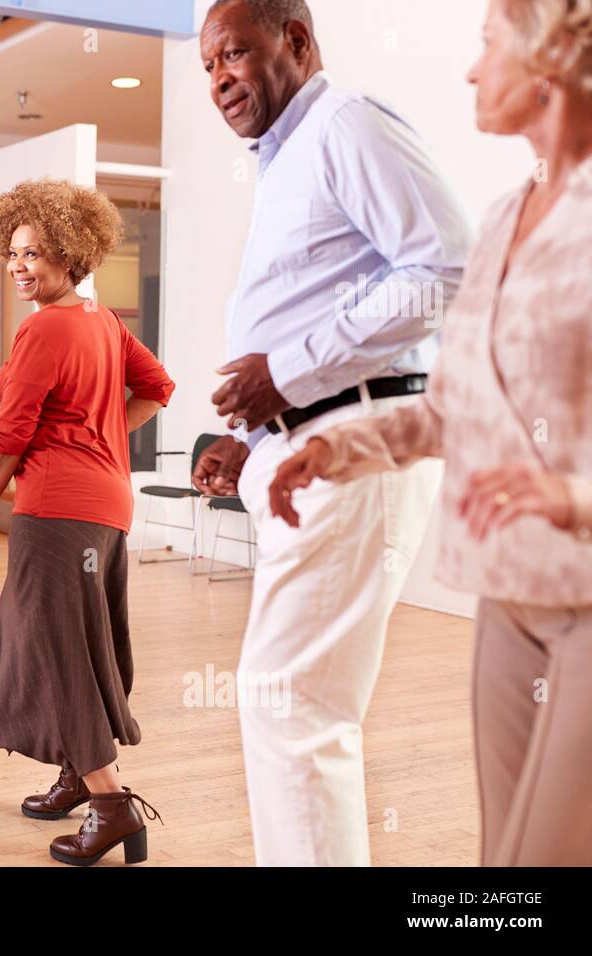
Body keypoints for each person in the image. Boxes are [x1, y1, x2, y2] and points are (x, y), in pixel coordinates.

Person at [269, 0, 592, 867]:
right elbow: (455, 409)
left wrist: (572, 493)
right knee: (502, 872)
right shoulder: (502, 217)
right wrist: (335, 444)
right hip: (507, 590)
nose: (471, 70)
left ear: (553, 52)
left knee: (543, 861)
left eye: (488, 43)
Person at [192, 0, 477, 866]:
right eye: (208, 67)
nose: (219, 81)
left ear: (299, 41)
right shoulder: (285, 163)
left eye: (234, 55)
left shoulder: (344, 124)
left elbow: (445, 267)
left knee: (296, 708)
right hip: (313, 446)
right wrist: (262, 433)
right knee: (287, 705)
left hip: (354, 449)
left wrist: (290, 376)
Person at [0, 179, 176, 867]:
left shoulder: (43, 326)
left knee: (54, 650)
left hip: (57, 514)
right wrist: (101, 438)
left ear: (70, 253)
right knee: (77, 641)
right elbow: (158, 389)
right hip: (107, 506)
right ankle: (77, 773)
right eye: (12, 252)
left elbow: (12, 434)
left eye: (34, 253)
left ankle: (112, 808)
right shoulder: (102, 321)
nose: (19, 266)